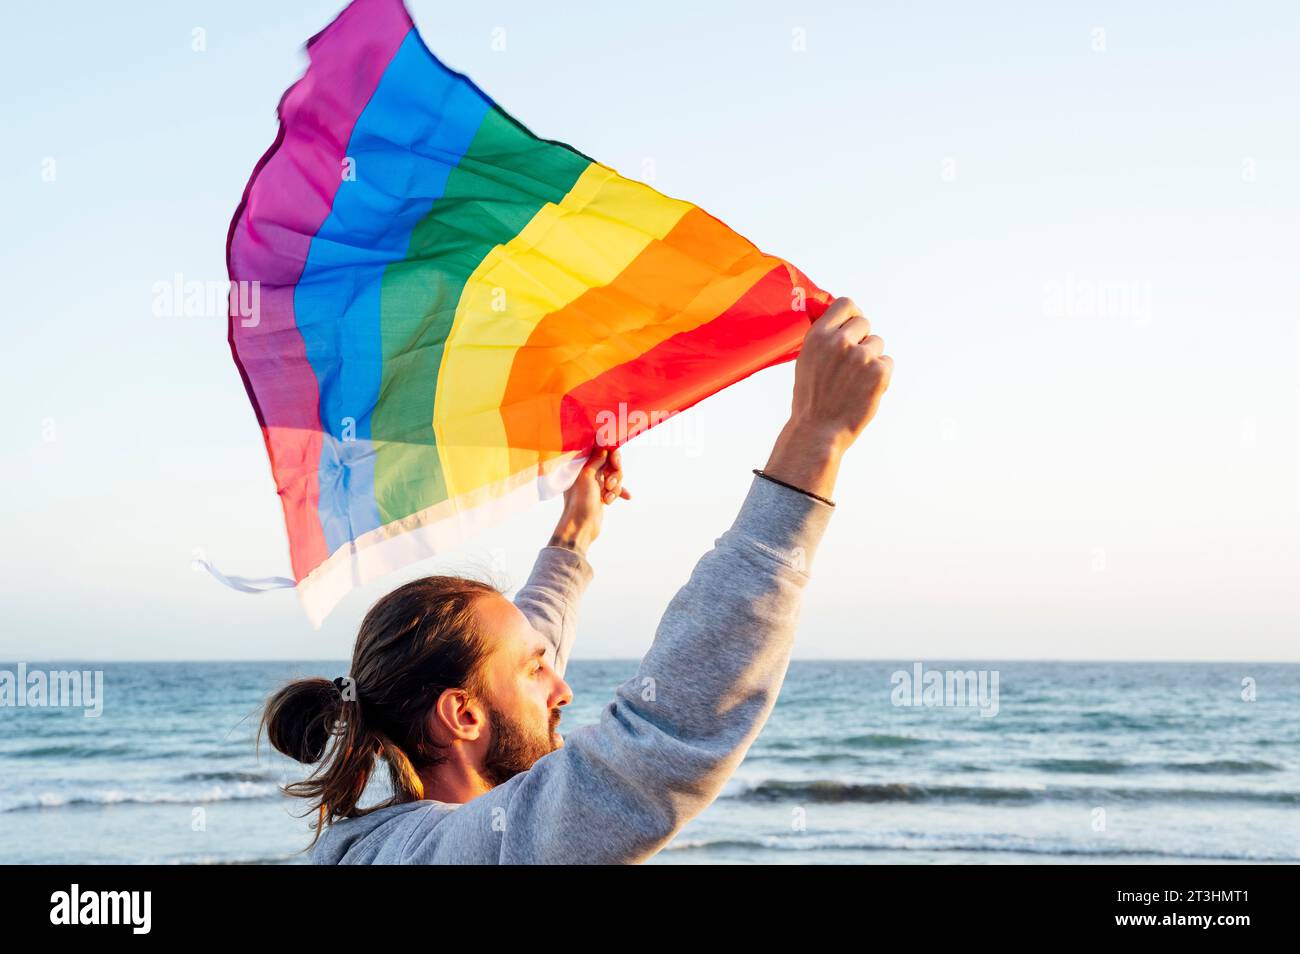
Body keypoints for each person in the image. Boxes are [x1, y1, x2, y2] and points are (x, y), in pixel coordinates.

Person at [261, 297, 893, 863]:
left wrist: (575, 534)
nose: (563, 685)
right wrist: (815, 440)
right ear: (460, 715)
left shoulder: (387, 842)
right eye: (537, 669)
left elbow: (521, 656)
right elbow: (657, 746)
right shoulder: (463, 853)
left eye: (546, 662)